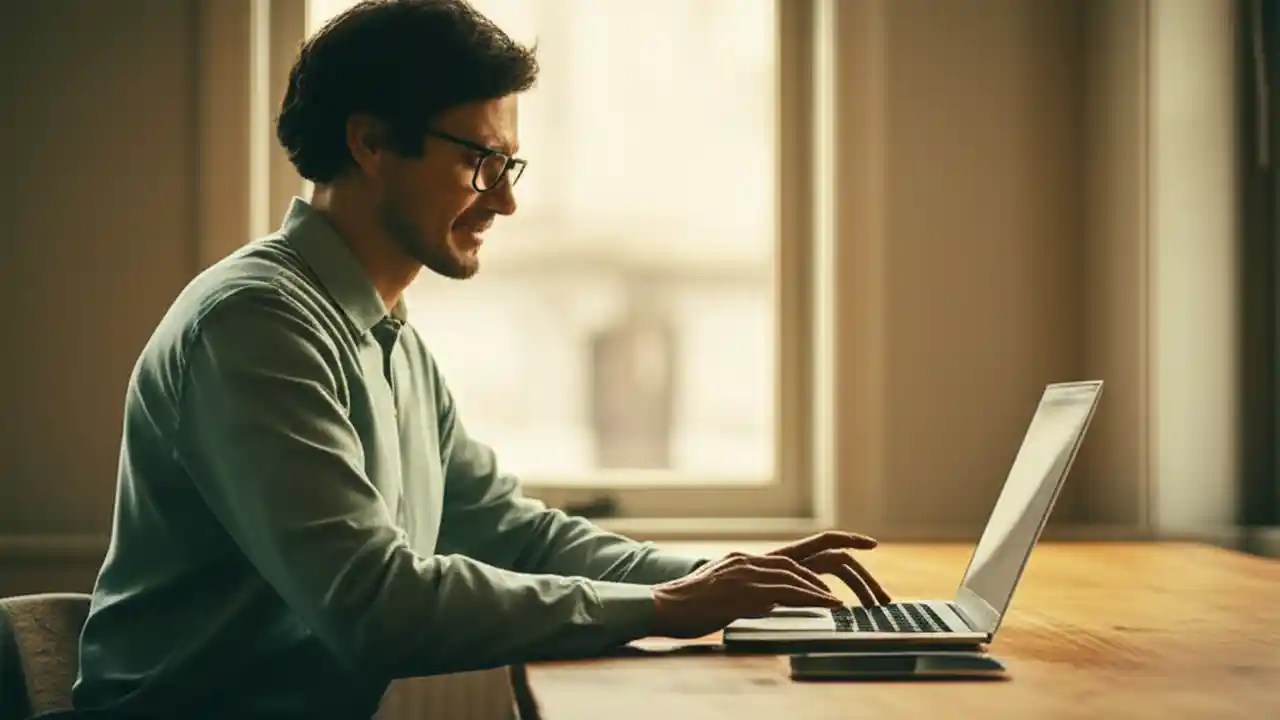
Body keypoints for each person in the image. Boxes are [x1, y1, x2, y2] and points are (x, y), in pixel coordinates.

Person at [72, 1, 890, 717]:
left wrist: (718, 575)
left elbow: (511, 533)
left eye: (508, 164)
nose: (505, 199)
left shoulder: (386, 335)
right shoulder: (255, 327)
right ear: (370, 142)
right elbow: (376, 606)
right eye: (479, 161)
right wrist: (662, 606)